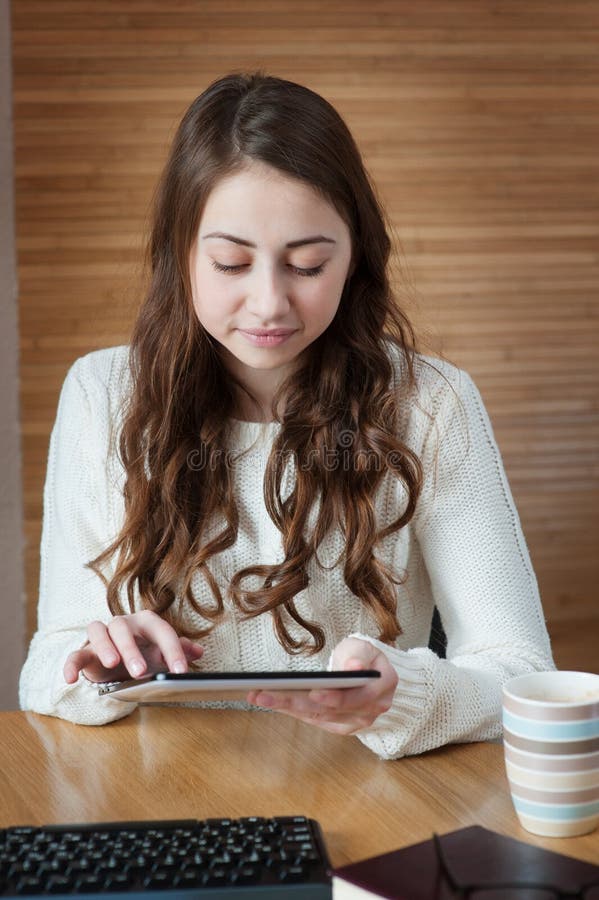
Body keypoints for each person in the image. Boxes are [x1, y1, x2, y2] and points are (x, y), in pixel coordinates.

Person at [19, 72, 554, 759]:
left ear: (355, 257)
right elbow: (45, 669)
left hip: (373, 801)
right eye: (230, 263)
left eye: (306, 265)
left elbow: (523, 673)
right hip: (163, 799)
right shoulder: (102, 394)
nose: (269, 303)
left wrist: (405, 692)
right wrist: (99, 673)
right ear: (180, 257)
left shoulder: (430, 403)